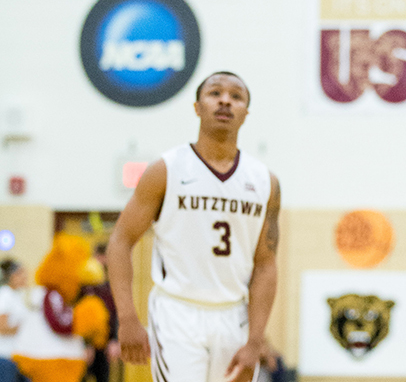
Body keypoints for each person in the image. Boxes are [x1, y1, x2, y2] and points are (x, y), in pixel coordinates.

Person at [107, 71, 280, 382]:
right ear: (197, 107)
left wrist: (256, 339)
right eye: (215, 93)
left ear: (245, 114)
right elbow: (120, 241)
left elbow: (266, 266)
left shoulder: (265, 182)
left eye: (236, 96)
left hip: (234, 316)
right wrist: (127, 317)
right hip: (177, 312)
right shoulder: (166, 169)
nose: (226, 100)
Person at [82, 245, 119, 382]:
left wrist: (114, 340)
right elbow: (81, 317)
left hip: (104, 345)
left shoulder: (110, 286)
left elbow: (115, 315)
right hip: (85, 343)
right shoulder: (84, 285)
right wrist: (86, 344)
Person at [0, 260, 29, 382]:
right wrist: (26, 328)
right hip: (6, 356)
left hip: (19, 356)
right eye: (21, 273)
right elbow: (2, 327)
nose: (25, 277)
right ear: (12, 276)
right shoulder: (5, 294)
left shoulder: (18, 295)